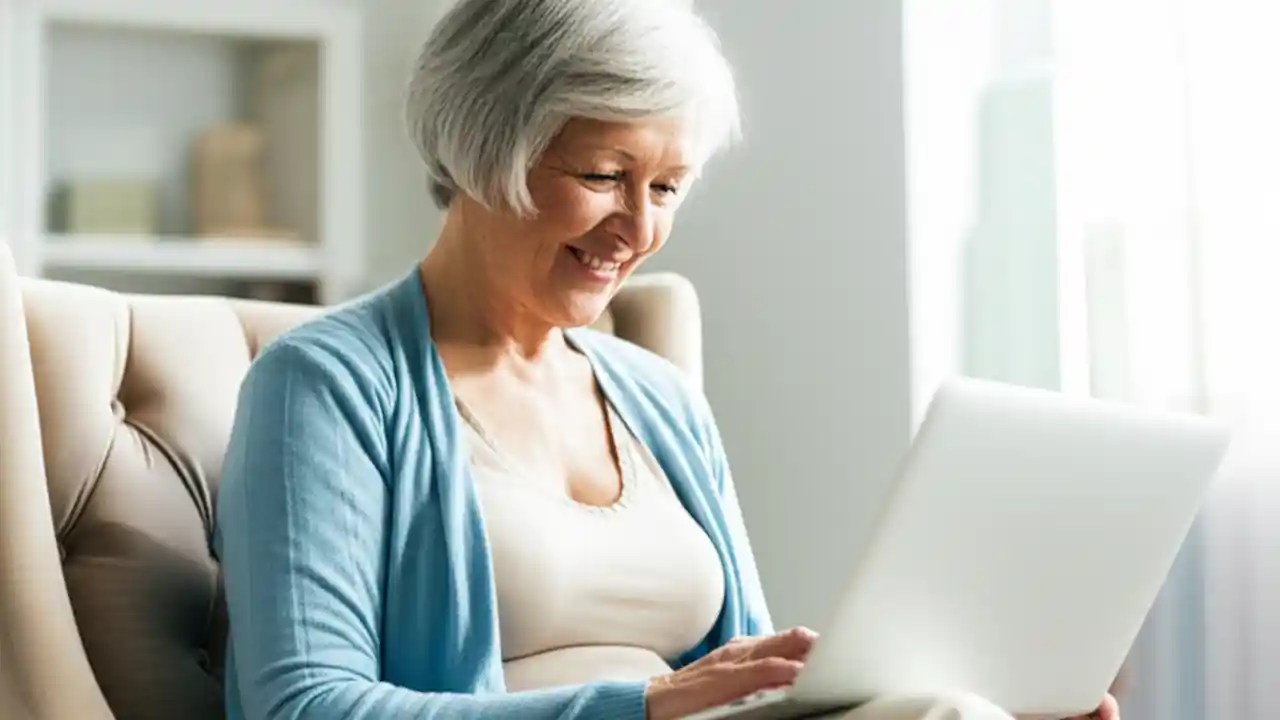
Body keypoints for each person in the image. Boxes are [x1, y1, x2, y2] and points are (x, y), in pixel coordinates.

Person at [213, 1, 1120, 719]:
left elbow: (760, 679)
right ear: (481, 144)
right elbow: (307, 705)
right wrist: (643, 707)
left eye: (668, 187)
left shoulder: (657, 397)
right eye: (605, 176)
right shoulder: (324, 385)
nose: (639, 230)